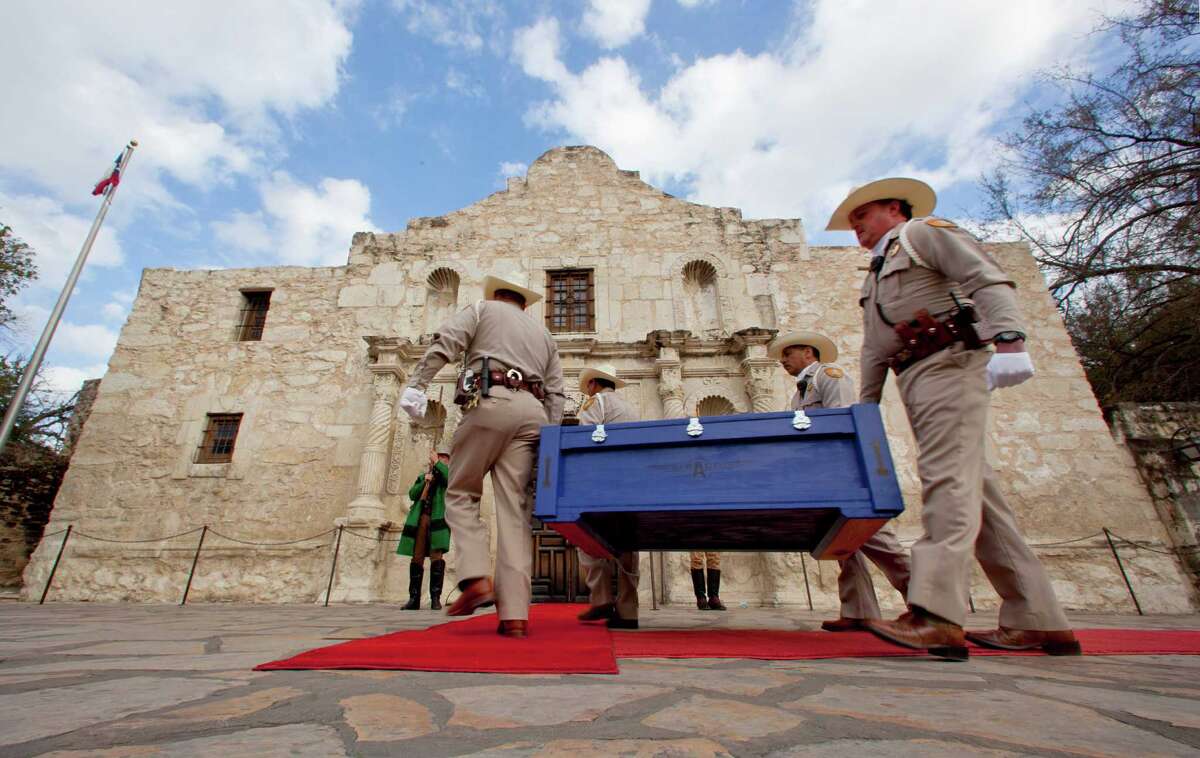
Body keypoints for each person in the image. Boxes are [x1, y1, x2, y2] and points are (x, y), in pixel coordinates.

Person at [826, 177, 1080, 660]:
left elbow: (985, 276)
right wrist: (867, 404)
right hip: (916, 373)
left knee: (945, 480)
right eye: (851, 221)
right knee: (978, 491)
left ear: (894, 208)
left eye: (863, 215)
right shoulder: (876, 271)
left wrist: (1010, 340)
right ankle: (1039, 618)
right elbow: (876, 345)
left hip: (949, 360)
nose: (855, 226)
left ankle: (936, 613)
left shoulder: (922, 234)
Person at [399, 272, 565, 638]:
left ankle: (475, 578)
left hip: (490, 403)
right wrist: (549, 438)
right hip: (532, 417)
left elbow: (447, 342)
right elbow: (556, 393)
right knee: (516, 514)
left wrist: (416, 385)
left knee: (459, 492)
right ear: (524, 303)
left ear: (497, 296)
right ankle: (515, 615)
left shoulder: (481, 309)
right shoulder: (545, 336)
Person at [768, 330, 911, 632]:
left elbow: (843, 420)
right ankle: (858, 610)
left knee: (875, 539)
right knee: (844, 543)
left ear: (808, 352)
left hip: (843, 470)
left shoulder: (829, 376)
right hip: (823, 471)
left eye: (788, 354)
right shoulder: (800, 392)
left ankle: (928, 603)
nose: (783, 361)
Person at [574, 362, 642, 630]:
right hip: (632, 482)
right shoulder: (630, 408)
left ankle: (601, 597)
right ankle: (628, 611)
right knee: (628, 547)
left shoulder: (596, 403)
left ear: (594, 384)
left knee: (588, 538)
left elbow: (585, 436)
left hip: (605, 481)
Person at [396, 446, 452, 611]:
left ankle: (435, 597)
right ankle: (414, 598)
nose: (439, 460)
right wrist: (426, 482)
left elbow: (449, 480)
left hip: (438, 520)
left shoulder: (447, 478)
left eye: (443, 457)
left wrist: (438, 464)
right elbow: (413, 494)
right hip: (421, 519)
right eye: (437, 457)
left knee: (437, 557)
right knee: (417, 557)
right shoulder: (423, 477)